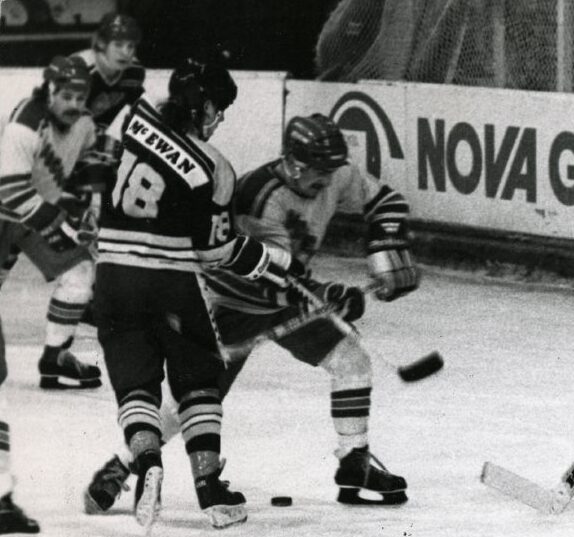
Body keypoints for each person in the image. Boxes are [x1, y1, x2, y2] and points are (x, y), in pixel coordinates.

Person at [83, 112, 418, 514]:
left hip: (286, 301)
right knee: (196, 400)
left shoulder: (336, 175)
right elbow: (259, 275)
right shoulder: (260, 197)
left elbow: (387, 200)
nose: (327, 181)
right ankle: (118, 467)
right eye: (318, 171)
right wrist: (324, 294)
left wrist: (386, 241)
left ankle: (355, 463)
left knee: (352, 362)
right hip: (230, 305)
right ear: (294, 163)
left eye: (331, 171)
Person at [89, 50, 305, 530]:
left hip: (112, 276)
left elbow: (96, 179)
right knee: (199, 378)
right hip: (168, 280)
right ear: (202, 106)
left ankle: (147, 466)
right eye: (220, 107)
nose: (222, 117)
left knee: (136, 384)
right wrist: (275, 263)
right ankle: (210, 489)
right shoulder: (215, 167)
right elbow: (215, 253)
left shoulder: (132, 120)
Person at [0, 56, 107, 391]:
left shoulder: (84, 122)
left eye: (80, 98)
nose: (74, 105)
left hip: (31, 214)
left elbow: (91, 158)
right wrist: (62, 222)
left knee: (79, 269)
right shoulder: (26, 123)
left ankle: (55, 358)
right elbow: (11, 191)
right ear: (49, 91)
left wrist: (90, 203)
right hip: (6, 211)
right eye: (66, 97)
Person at [71, 12, 147, 130]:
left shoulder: (135, 72)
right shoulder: (77, 68)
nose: (126, 53)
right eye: (118, 45)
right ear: (101, 43)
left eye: (130, 46)